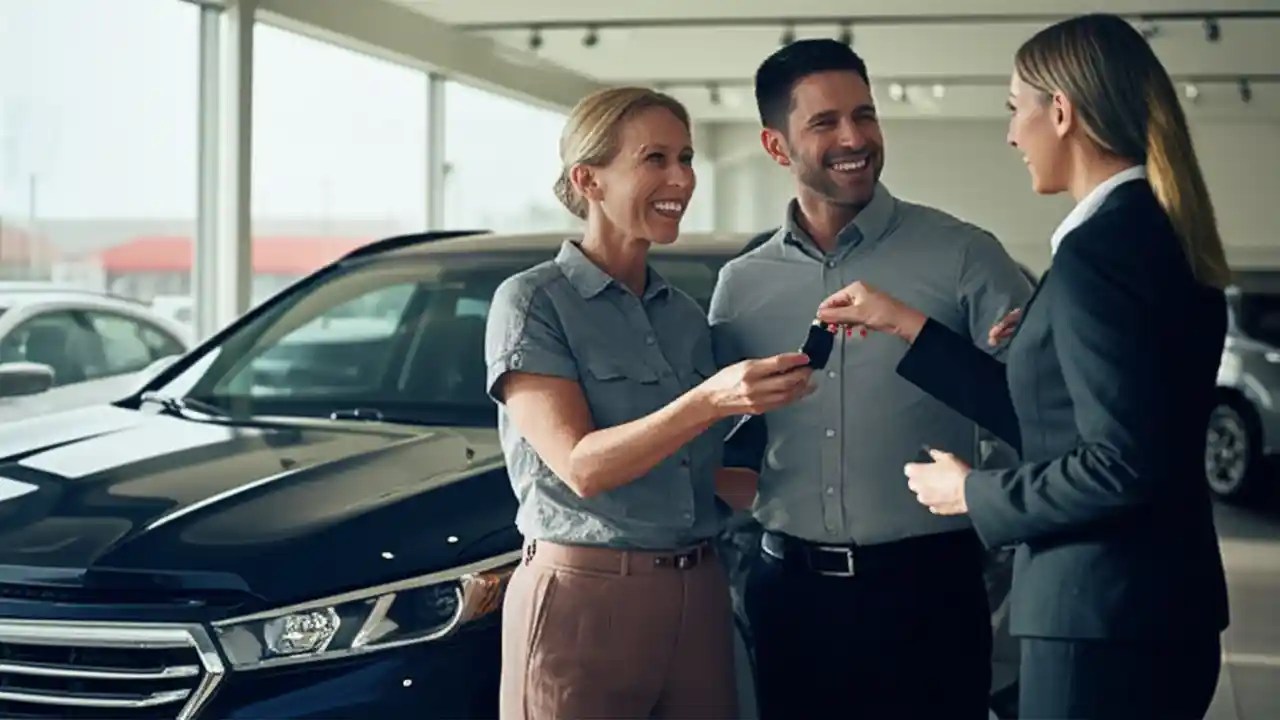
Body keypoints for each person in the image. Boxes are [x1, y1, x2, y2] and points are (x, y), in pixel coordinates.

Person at [815, 13, 1231, 719]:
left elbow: (1122, 464)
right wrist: (905, 323)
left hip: (1099, 618)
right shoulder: (1154, 236)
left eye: (1015, 110)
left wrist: (973, 492)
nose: (1011, 135)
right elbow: (1060, 419)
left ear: (1061, 111)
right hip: (1146, 614)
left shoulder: (1099, 256)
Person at [708, 39, 1034, 719]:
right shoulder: (739, 288)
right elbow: (726, 442)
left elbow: (1039, 412)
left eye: (865, 115)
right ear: (777, 146)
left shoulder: (963, 254)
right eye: (824, 123)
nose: (854, 138)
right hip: (787, 600)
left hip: (931, 596)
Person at [484, 86, 814, 720]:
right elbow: (582, 466)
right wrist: (711, 399)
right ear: (589, 179)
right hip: (585, 602)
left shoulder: (685, 317)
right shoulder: (531, 303)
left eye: (686, 158)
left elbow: (693, 473)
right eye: (655, 159)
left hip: (699, 592)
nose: (681, 179)